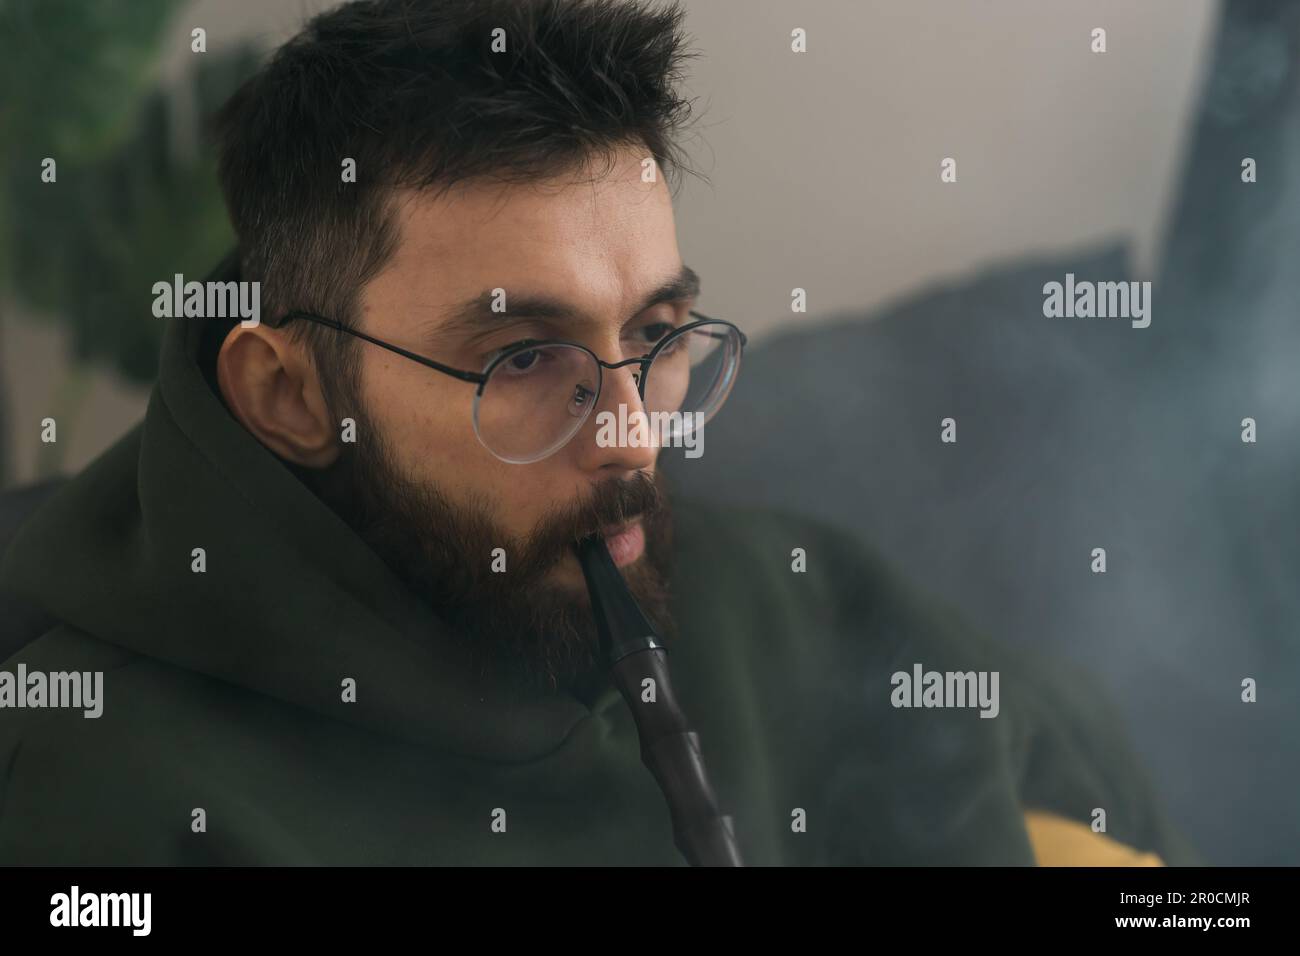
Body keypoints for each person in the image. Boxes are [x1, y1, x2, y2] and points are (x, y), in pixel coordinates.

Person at [0, 0, 1197, 865]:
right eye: (525, 358)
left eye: (659, 332)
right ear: (291, 396)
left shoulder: (784, 597)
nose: (631, 437)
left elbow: (1104, 802)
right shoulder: (99, 791)